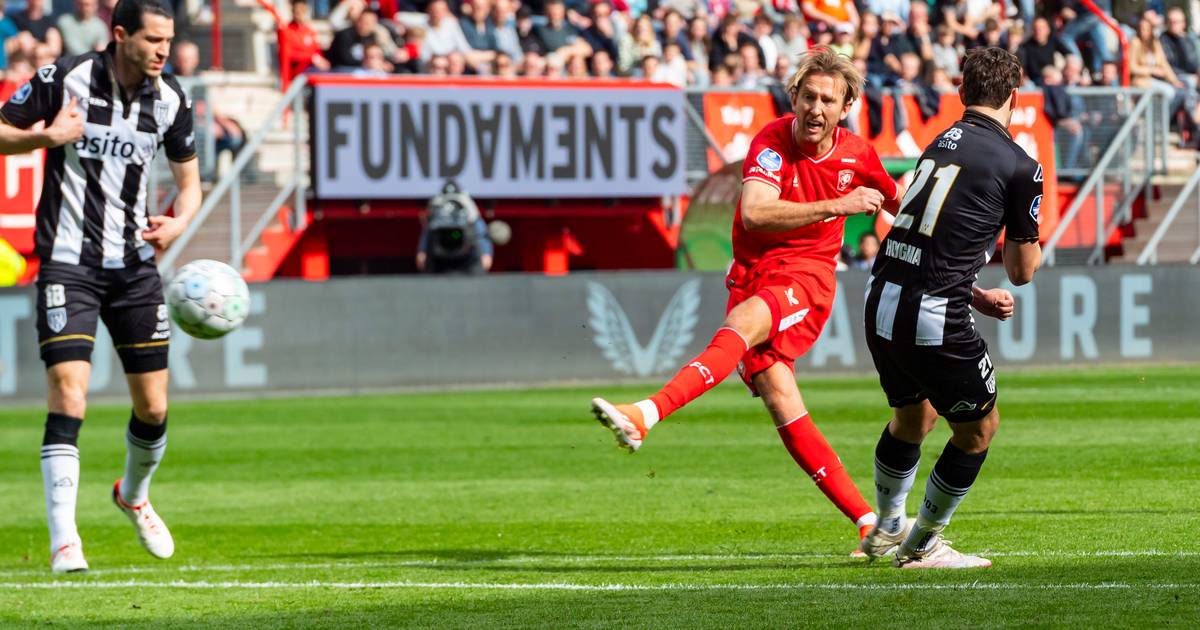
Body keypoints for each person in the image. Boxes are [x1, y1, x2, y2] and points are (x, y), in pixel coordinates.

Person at [591, 47, 903, 555]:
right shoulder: (772, 142)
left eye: (828, 99)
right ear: (794, 98)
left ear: (845, 107)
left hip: (807, 276)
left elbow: (897, 202)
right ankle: (871, 522)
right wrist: (838, 205)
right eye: (808, 96)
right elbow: (755, 213)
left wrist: (954, 262)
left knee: (742, 324)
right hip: (753, 272)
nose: (816, 108)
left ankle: (646, 413)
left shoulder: (858, 155)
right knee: (781, 397)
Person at [0, 0, 202, 573]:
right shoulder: (64, 78)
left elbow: (191, 185)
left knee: (155, 408)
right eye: (154, 40)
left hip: (135, 267)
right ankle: (65, 540)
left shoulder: (172, 100)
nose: (165, 49)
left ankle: (133, 495)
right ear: (119, 36)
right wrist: (45, 138)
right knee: (69, 395)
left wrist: (179, 221)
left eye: (169, 39)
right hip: (67, 262)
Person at [860, 47, 1042, 569]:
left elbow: (930, 244)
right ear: (1014, 96)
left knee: (912, 419)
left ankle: (888, 528)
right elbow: (1022, 271)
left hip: (881, 299)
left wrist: (976, 294)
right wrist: (1029, 233)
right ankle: (921, 546)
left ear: (962, 94)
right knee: (978, 430)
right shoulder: (1019, 164)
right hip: (932, 315)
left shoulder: (938, 144)